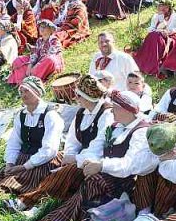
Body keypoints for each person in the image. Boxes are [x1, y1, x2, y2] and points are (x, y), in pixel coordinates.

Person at [32, 90, 157, 221]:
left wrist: (101, 165)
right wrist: (87, 162)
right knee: (74, 172)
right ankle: (42, 205)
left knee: (93, 181)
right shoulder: (114, 126)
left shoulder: (140, 131)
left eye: (115, 108)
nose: (111, 111)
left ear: (126, 109)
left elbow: (130, 165)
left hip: (124, 182)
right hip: (105, 175)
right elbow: (94, 148)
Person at [13, 75, 113, 213]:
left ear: (88, 97)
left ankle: (29, 200)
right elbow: (73, 140)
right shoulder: (82, 112)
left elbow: (99, 146)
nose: (75, 98)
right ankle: (40, 201)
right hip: (81, 156)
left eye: (78, 95)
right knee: (58, 161)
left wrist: (75, 159)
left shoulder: (106, 114)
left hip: (97, 160)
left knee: (68, 171)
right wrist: (70, 154)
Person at [0, 77, 64, 202]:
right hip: (23, 158)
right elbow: (14, 142)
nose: (23, 95)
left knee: (12, 182)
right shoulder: (21, 115)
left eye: (27, 91)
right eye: (21, 92)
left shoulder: (50, 115)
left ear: (37, 92)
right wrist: (10, 163)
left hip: (43, 161)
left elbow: (49, 150)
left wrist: (25, 166)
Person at [133, 0, 176, 76]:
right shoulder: (157, 16)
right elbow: (151, 29)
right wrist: (158, 30)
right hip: (159, 36)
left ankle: (155, 65)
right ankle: (147, 63)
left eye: (161, 5)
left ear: (167, 6)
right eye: (158, 6)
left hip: (171, 39)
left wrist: (160, 31)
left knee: (156, 35)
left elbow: (170, 31)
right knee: (152, 35)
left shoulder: (175, 16)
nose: (158, 8)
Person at [7, 19, 64, 85]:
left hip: (49, 64)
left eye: (44, 27)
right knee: (19, 59)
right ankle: (21, 80)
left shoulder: (54, 40)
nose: (41, 28)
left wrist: (36, 66)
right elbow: (35, 53)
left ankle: (32, 81)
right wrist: (30, 65)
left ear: (50, 29)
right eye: (40, 26)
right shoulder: (39, 40)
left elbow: (50, 54)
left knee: (49, 59)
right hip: (38, 61)